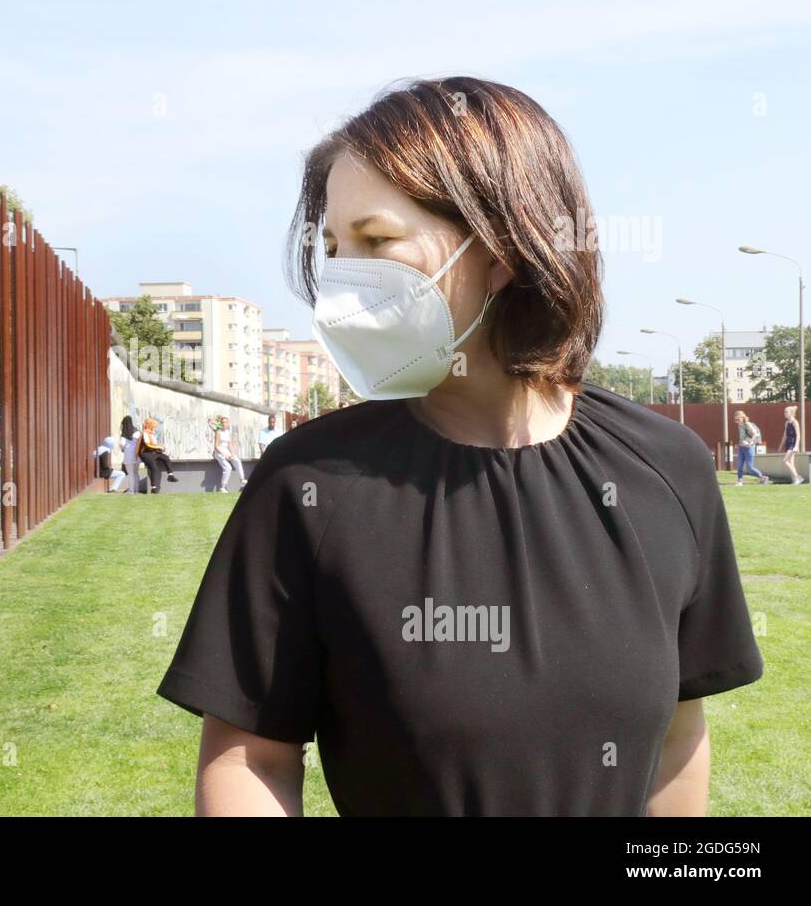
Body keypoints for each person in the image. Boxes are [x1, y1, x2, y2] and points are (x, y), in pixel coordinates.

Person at [155, 77, 763, 817]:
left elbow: (676, 739)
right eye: (335, 247)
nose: (342, 279)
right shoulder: (308, 484)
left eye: (376, 240)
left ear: (505, 245)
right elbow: (252, 758)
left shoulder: (667, 469)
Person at [137, 417, 179, 493]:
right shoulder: (144, 434)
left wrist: (160, 449)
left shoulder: (151, 434)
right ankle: (154, 487)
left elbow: (154, 445)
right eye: (153, 426)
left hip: (153, 452)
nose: (154, 428)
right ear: (150, 425)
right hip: (145, 453)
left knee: (166, 458)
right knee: (153, 467)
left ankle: (170, 475)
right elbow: (147, 445)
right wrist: (159, 447)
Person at [734, 411, 770, 485]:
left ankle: (763, 477)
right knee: (739, 465)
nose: (736, 421)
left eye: (738, 419)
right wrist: (739, 444)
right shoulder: (739, 426)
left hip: (749, 448)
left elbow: (755, 434)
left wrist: (749, 442)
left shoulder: (747, 424)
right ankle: (740, 481)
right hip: (742, 448)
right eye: (735, 420)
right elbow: (743, 437)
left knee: (750, 467)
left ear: (742, 418)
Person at [212, 415, 245, 492]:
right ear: (220, 423)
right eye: (222, 422)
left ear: (228, 423)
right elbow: (216, 446)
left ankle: (242, 479)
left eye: (225, 422)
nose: (224, 424)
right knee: (228, 467)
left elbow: (229, 444)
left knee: (237, 460)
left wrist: (232, 454)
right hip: (219, 452)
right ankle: (223, 487)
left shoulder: (227, 432)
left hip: (226, 451)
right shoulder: (218, 432)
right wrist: (225, 455)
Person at [118, 416, 142, 494]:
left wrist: (123, 448)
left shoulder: (124, 433)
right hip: (137, 454)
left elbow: (122, 444)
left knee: (130, 473)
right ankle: (136, 490)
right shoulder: (137, 432)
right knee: (136, 473)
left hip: (128, 455)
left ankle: (131, 491)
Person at [780, 405, 804, 485]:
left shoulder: (795, 422)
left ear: (791, 413)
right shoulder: (787, 423)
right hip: (788, 443)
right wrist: (781, 445)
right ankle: (795, 480)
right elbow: (785, 435)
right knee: (791, 462)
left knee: (785, 460)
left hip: (793, 444)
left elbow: (798, 435)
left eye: (786, 412)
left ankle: (798, 477)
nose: (784, 413)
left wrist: (796, 446)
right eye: (784, 412)